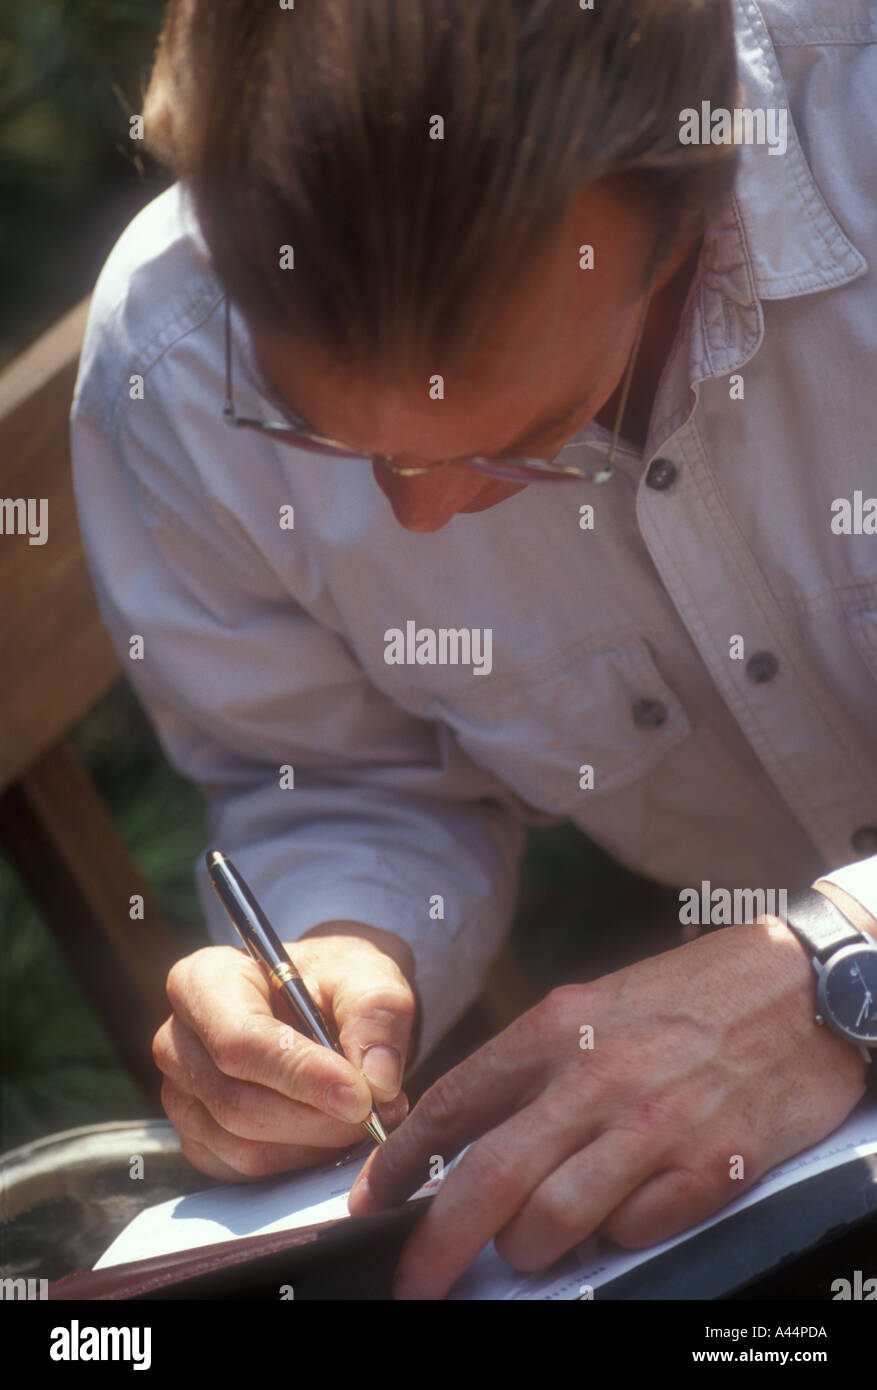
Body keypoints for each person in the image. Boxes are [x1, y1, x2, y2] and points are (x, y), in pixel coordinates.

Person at [70, 0, 877, 1300]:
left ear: (694, 204)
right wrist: (347, 938)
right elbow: (351, 776)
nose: (417, 511)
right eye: (319, 438)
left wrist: (829, 975)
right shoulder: (171, 364)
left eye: (531, 434)